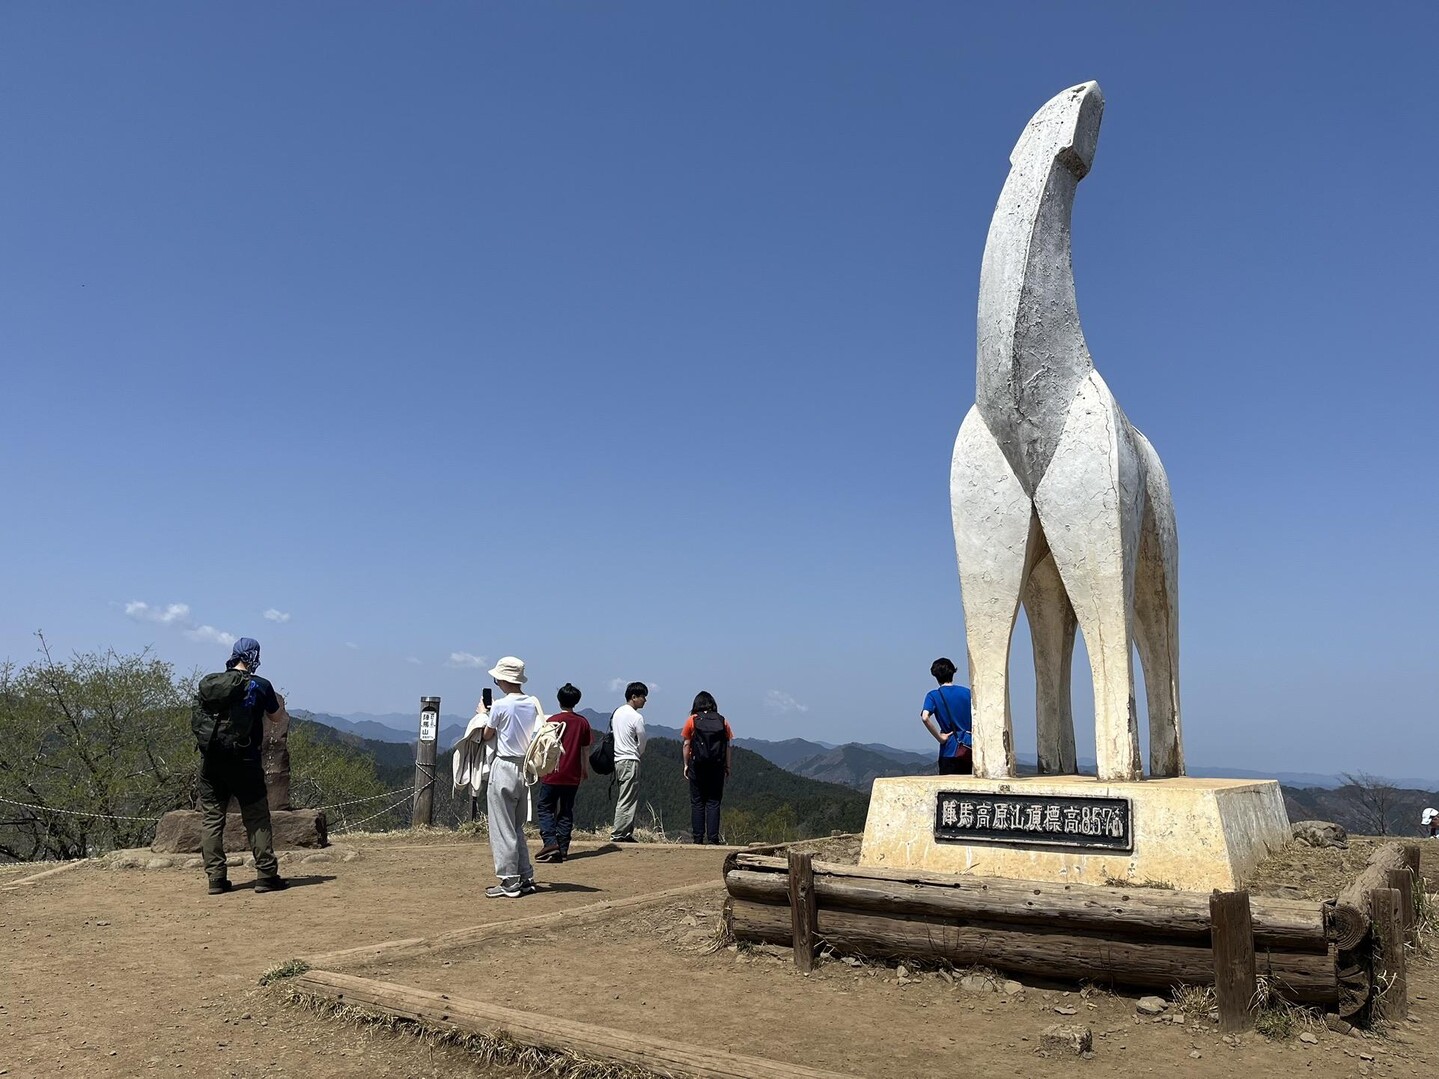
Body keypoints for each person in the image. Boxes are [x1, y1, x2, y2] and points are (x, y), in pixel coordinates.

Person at [197, 638, 289, 895]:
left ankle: (215, 879)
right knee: (256, 817)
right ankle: (266, 875)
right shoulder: (260, 685)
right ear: (254, 657)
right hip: (246, 761)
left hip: (212, 762)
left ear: (233, 655)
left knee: (213, 819)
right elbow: (276, 716)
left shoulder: (212, 684)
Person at [478, 656, 543, 898]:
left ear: (502, 679)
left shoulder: (500, 706)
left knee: (501, 827)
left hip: (504, 766)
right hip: (525, 769)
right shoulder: (532, 703)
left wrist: (484, 713)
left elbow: (487, 735)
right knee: (516, 827)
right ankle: (526, 876)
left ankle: (509, 880)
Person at [535, 683, 592, 864]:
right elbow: (585, 749)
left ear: (559, 700)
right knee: (566, 811)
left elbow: (543, 747)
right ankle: (563, 848)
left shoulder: (553, 721)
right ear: (577, 701)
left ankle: (551, 843)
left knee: (545, 808)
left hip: (552, 772)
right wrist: (584, 769)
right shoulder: (583, 722)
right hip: (572, 775)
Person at [682, 691, 733, 844]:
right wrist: (727, 766)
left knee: (697, 802)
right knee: (714, 802)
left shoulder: (692, 720)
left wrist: (686, 764)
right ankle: (713, 839)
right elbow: (728, 746)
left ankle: (698, 838)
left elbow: (686, 744)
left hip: (697, 766)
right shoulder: (722, 721)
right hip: (717, 766)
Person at [609, 681, 649, 842]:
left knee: (624, 795)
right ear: (634, 697)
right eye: (642, 697)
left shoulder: (617, 712)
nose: (645, 700)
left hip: (618, 759)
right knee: (627, 798)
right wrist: (638, 753)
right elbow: (643, 740)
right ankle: (619, 834)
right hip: (630, 759)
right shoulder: (636, 717)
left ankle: (625, 832)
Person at [920, 657, 973, 776]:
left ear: (935, 675)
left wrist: (940, 738)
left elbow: (925, 717)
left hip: (950, 750)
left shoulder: (934, 695)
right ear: (953, 672)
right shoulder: (968, 693)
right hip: (970, 748)